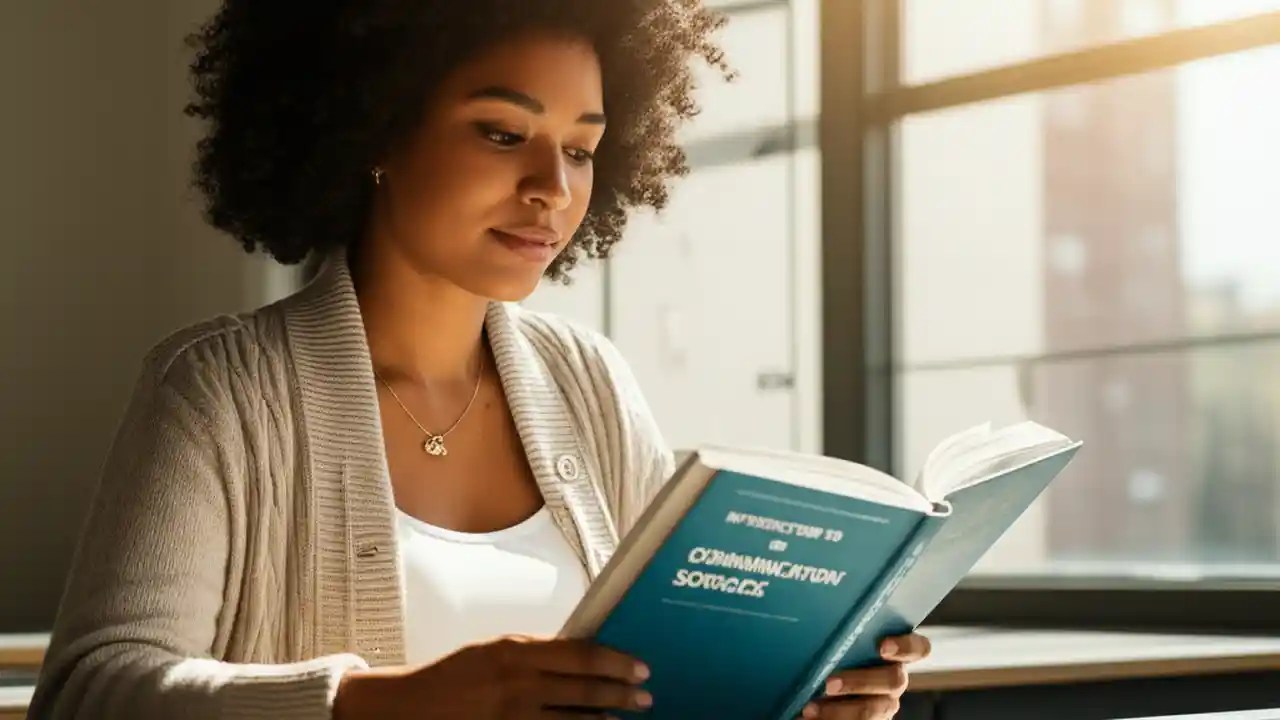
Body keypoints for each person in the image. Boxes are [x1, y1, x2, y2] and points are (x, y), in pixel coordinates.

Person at [28, 1, 930, 718]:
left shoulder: (592, 382)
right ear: (375, 127)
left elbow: (660, 685)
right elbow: (90, 693)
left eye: (581, 148)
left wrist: (805, 701)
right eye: (503, 133)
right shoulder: (220, 388)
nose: (553, 187)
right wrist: (383, 705)